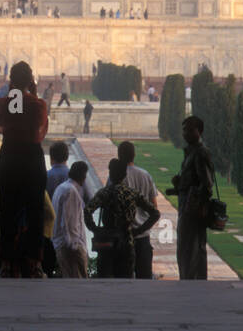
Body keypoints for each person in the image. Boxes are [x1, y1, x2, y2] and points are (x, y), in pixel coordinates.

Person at [0, 60, 49, 278]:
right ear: (31, 80)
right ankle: (34, 264)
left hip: (10, 158)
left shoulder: (3, 103)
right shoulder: (38, 104)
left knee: (8, 213)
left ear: (11, 80)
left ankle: (7, 265)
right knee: (35, 213)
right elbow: (40, 131)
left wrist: (15, 97)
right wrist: (31, 95)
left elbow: (0, 127)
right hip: (31, 161)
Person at [85, 157, 158, 278]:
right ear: (124, 175)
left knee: (105, 282)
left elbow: (87, 210)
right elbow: (155, 213)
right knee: (125, 282)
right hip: (127, 241)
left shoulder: (104, 193)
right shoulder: (131, 193)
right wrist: (139, 230)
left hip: (107, 242)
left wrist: (96, 229)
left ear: (110, 174)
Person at [168, 115, 214, 280]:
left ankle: (192, 284)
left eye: (189, 130)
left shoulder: (200, 153)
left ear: (199, 131)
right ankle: (189, 281)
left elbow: (207, 185)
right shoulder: (191, 153)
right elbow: (193, 181)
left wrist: (192, 205)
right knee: (187, 250)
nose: (185, 133)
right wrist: (179, 185)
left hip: (193, 212)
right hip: (187, 208)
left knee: (192, 250)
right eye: (184, 130)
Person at [117, 140, 158, 279]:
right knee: (144, 280)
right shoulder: (145, 175)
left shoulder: (116, 178)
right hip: (143, 237)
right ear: (134, 155)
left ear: (119, 156)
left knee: (123, 282)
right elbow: (154, 208)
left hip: (123, 237)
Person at [52, 160, 93, 278]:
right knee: (78, 284)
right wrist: (74, 246)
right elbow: (69, 223)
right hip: (70, 248)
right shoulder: (70, 191)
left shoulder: (62, 188)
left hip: (62, 245)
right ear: (84, 177)